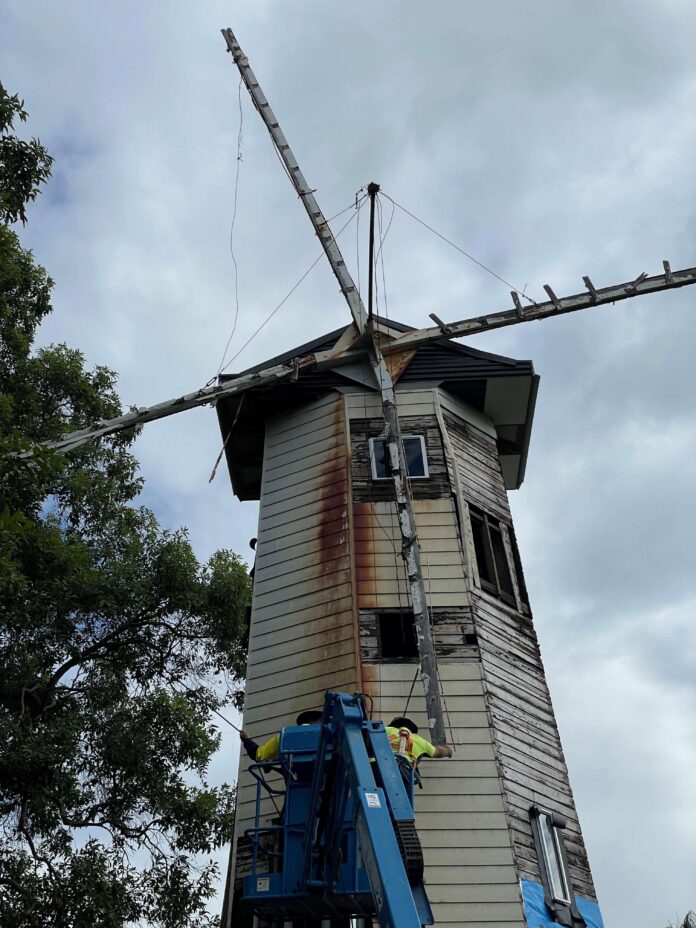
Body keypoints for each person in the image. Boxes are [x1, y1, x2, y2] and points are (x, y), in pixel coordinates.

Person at [239, 709, 323, 762]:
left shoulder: (285, 736)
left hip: (300, 777)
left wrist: (247, 740)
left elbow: (257, 754)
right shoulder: (327, 734)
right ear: (318, 721)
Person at [385, 716, 453, 764]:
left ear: (392, 726)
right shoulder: (419, 740)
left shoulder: (384, 730)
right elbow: (438, 752)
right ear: (411, 729)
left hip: (377, 767)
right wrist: (449, 751)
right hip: (402, 775)